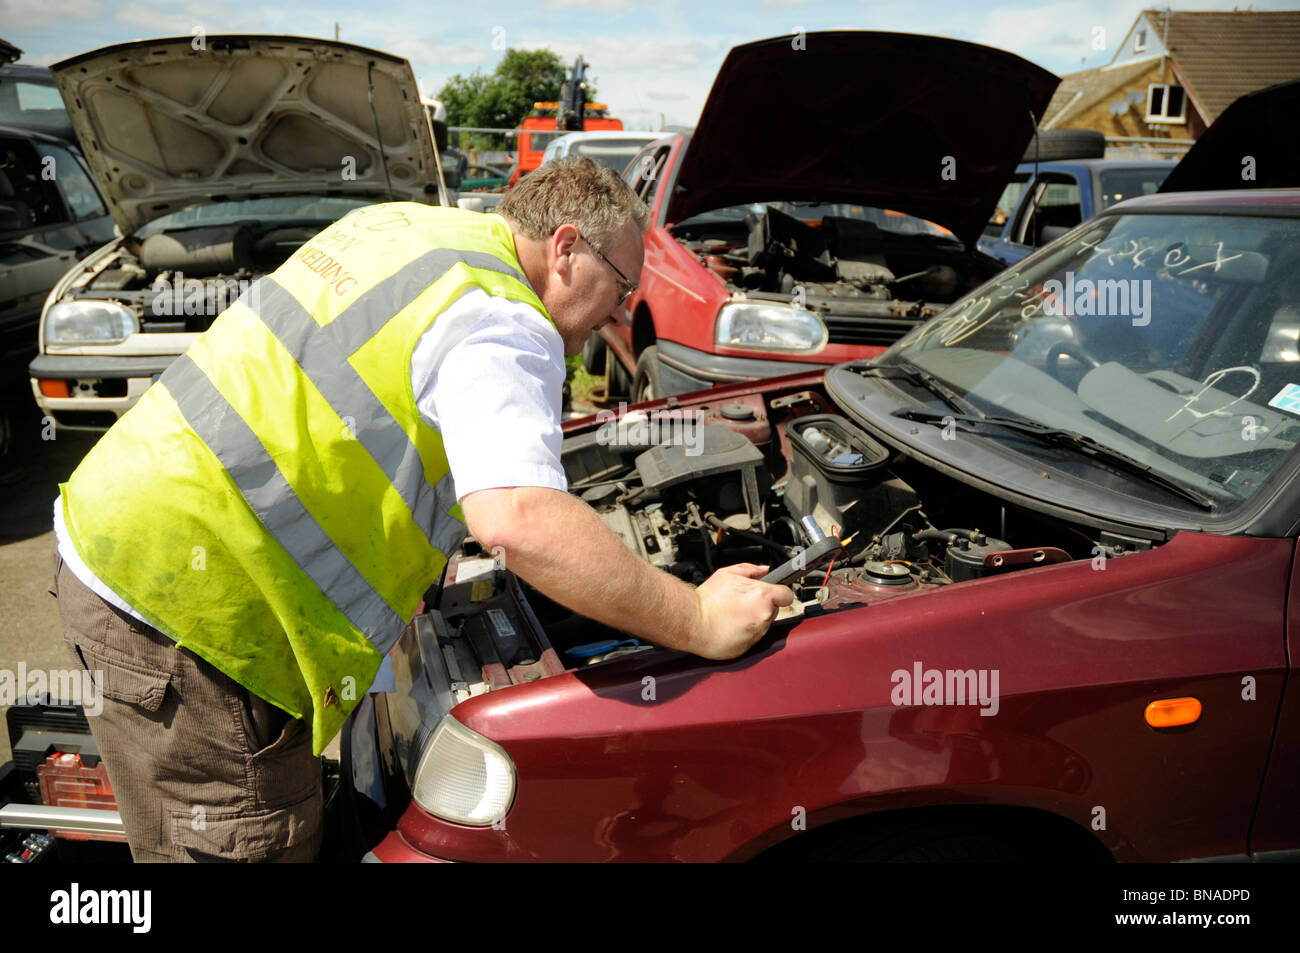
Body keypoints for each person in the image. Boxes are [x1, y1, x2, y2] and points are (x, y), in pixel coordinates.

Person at [51, 157, 793, 862]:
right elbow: (518, 518)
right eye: (622, 285)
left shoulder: (408, 229)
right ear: (566, 248)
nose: (618, 315)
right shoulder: (505, 319)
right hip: (185, 618)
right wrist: (696, 619)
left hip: (128, 533)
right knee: (250, 837)